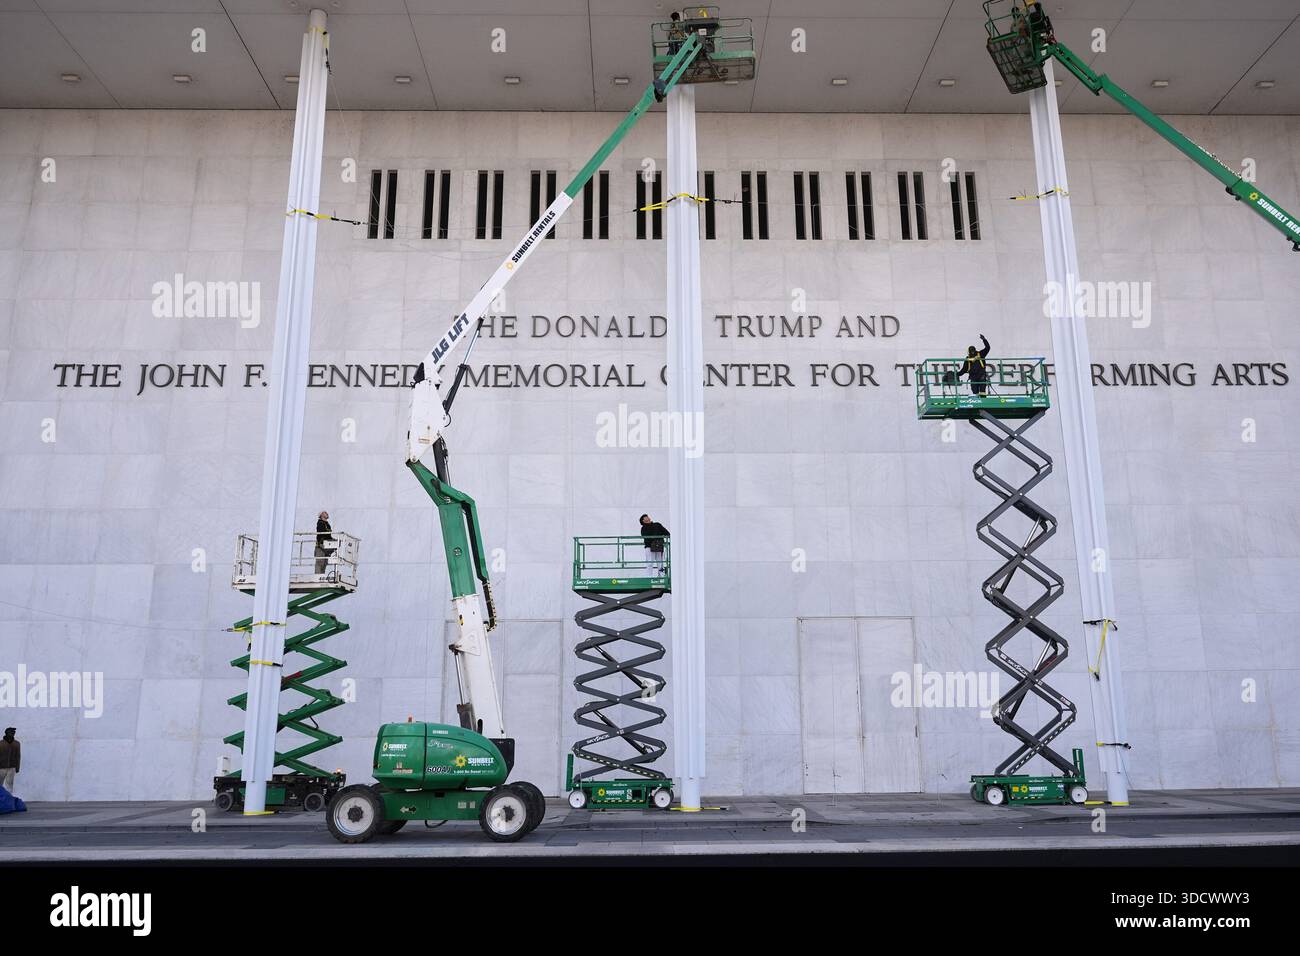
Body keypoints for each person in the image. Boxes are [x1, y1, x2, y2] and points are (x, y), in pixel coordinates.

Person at [0, 728, 19, 793]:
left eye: (13, 733)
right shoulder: (1, 743)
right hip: (1, 768)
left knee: (9, 785)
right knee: (0, 785)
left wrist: (17, 767)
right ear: (7, 733)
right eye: (11, 732)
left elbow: (18, 756)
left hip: (12, 767)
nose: (13, 734)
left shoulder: (17, 744)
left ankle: (9, 800)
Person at [315, 511, 333, 576]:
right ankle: (317, 577)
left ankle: (321, 576)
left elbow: (328, 535)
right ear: (321, 515)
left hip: (326, 545)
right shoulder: (320, 523)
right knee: (320, 562)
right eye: (325, 512)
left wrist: (332, 540)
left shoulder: (327, 524)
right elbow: (323, 533)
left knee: (324, 563)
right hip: (321, 545)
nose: (327, 513)